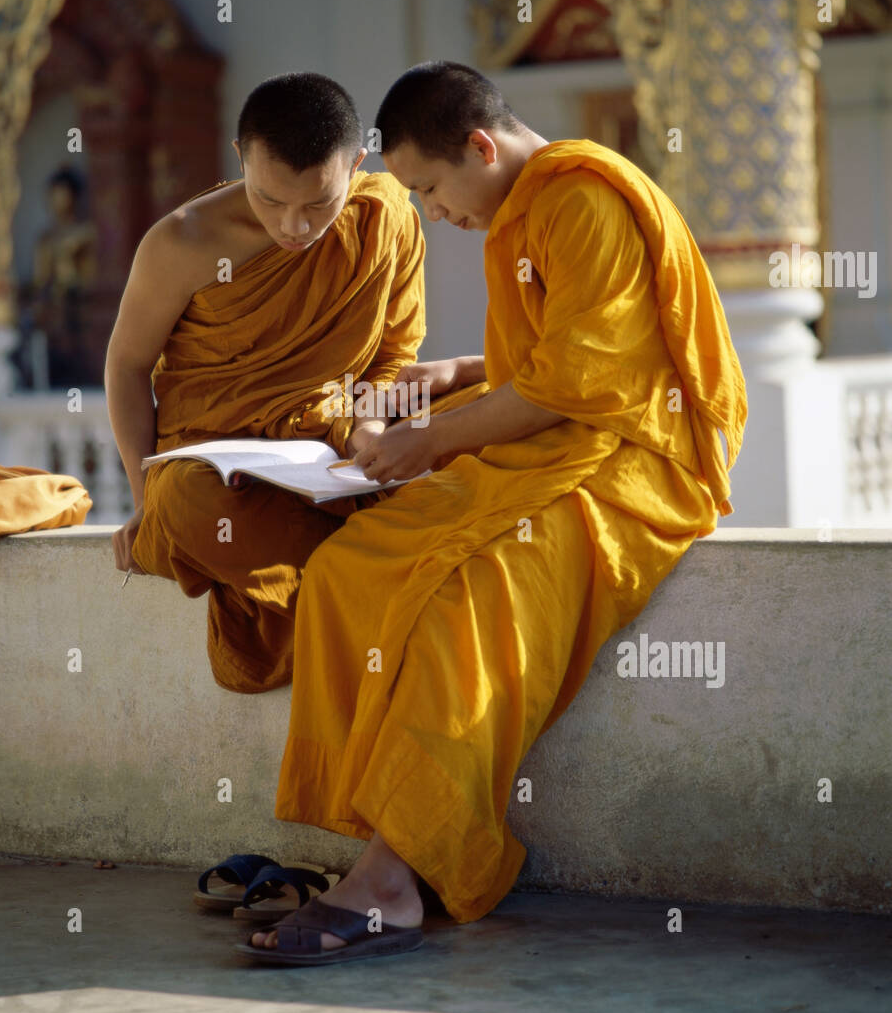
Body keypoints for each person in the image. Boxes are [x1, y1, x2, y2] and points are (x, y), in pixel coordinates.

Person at [241, 60, 747, 964]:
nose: (431, 213)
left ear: (480, 146)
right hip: (553, 440)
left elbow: (583, 379)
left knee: (467, 598)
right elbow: (546, 357)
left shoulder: (578, 202)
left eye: (431, 189)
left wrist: (433, 441)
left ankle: (393, 878)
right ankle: (387, 831)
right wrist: (459, 376)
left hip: (628, 461)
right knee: (349, 568)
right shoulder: (515, 210)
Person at [107, 71, 483, 694]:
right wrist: (142, 494)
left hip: (337, 446)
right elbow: (125, 367)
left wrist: (367, 424)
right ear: (241, 160)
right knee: (185, 504)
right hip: (226, 466)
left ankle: (356, 558)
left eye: (317, 204)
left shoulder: (384, 214)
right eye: (270, 199)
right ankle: (362, 591)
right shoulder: (181, 241)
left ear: (356, 163)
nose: (294, 227)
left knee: (485, 416)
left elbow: (392, 353)